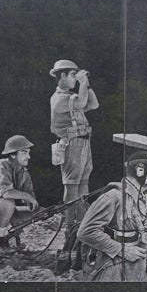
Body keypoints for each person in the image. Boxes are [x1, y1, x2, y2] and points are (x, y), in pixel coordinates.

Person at [77, 153, 147, 281]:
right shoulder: (113, 196)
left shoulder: (145, 201)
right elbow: (86, 232)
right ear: (140, 171)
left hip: (138, 270)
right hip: (112, 269)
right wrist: (123, 250)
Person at [48, 59, 98, 258]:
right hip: (71, 144)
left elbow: (93, 104)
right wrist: (83, 83)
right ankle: (70, 233)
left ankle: (82, 231)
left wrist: (85, 83)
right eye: (72, 75)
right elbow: (82, 102)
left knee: (83, 186)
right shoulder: (59, 98)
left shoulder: (72, 97)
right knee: (72, 188)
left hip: (84, 143)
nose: (74, 79)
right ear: (61, 76)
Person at [0, 134, 39, 245]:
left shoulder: (24, 173)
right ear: (13, 154)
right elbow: (6, 193)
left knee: (30, 212)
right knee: (7, 203)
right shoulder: (1, 165)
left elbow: (32, 202)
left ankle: (6, 238)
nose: (28, 157)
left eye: (29, 152)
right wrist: (28, 197)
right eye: (24, 152)